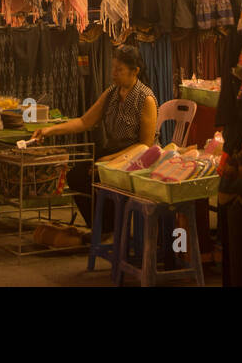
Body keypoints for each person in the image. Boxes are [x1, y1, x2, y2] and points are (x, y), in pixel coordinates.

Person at [32, 45, 156, 228]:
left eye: (119, 69)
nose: (113, 73)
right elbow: (84, 122)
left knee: (99, 174)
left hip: (138, 156)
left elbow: (145, 145)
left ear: (135, 71)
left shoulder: (145, 98)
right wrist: (49, 130)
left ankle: (110, 227)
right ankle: (100, 226)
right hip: (114, 150)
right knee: (77, 175)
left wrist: (109, 160)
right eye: (113, 67)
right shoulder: (112, 92)